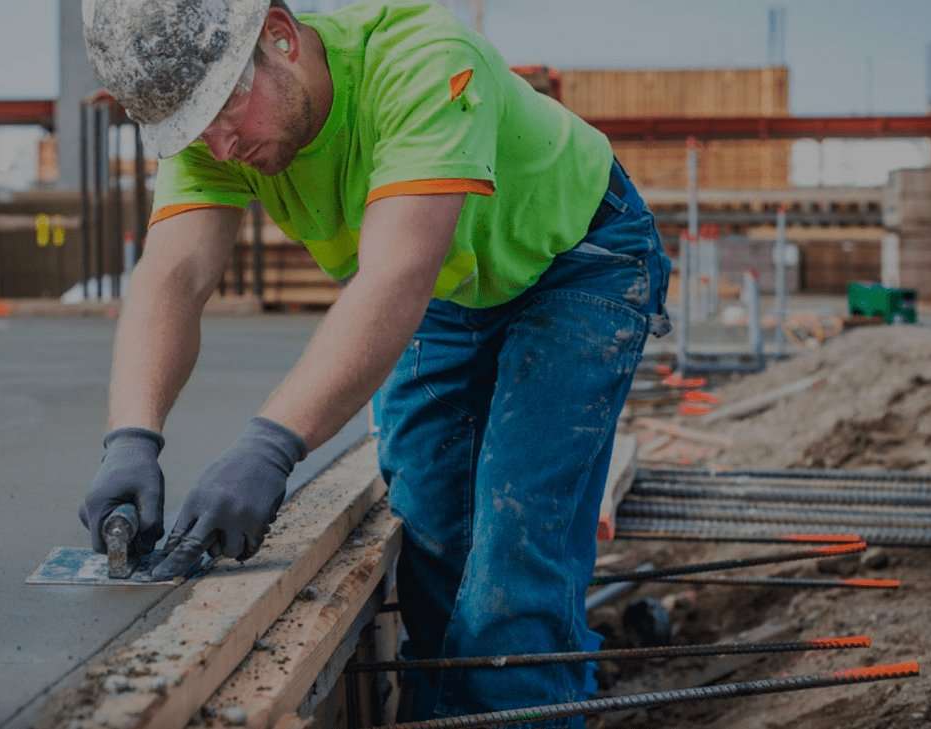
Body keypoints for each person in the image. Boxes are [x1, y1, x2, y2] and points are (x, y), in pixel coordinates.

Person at [76, 0, 672, 722]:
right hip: (451, 288)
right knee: (429, 537)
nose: (222, 148)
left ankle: (529, 705)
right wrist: (131, 438)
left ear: (280, 36)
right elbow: (174, 273)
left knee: (514, 560)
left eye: (224, 114)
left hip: (576, 261)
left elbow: (396, 277)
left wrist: (270, 446)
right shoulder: (216, 131)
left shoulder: (420, 60)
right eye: (198, 132)